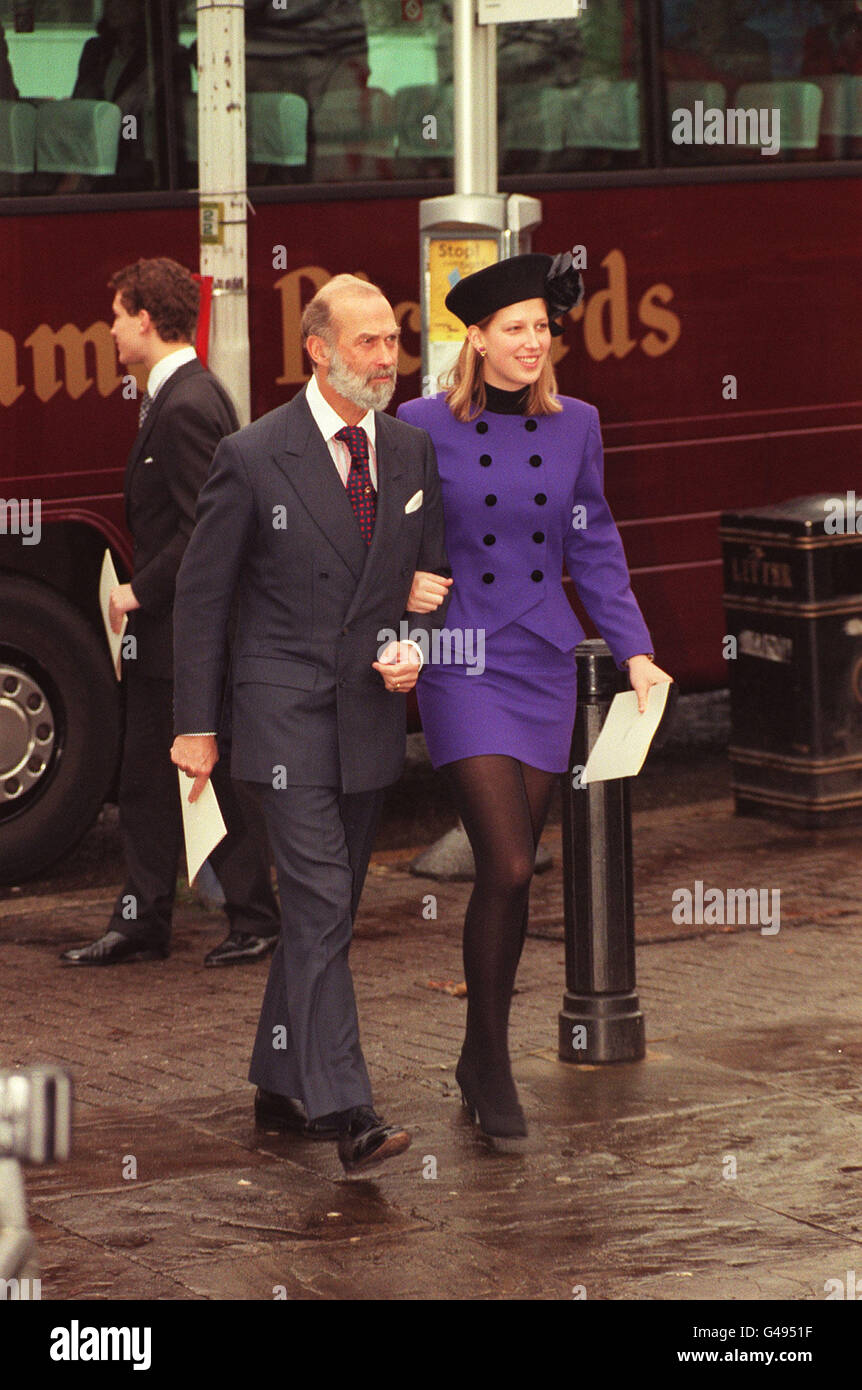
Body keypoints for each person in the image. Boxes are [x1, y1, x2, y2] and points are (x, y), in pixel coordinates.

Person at [169, 274, 452, 1176]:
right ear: (318, 352)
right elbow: (202, 600)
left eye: (392, 342)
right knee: (326, 902)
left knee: (325, 916)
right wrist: (193, 726)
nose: (386, 358)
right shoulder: (254, 456)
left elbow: (430, 580)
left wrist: (415, 641)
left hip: (368, 715)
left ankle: (276, 1075)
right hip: (281, 712)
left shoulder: (408, 453)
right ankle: (349, 1111)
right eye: (367, 343)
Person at [397, 253, 673, 1150]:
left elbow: (595, 545)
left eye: (540, 329)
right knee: (509, 864)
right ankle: (491, 1058)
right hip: (461, 656)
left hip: (544, 656)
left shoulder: (578, 424)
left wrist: (634, 650)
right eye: (512, 329)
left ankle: (479, 1059)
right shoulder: (419, 423)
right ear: (474, 338)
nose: (529, 342)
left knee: (510, 881)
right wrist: (406, 595)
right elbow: (390, 535)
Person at [61, 257, 280, 969]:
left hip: (187, 632)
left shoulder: (185, 405)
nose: (113, 329)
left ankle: (249, 918)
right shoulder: (180, 394)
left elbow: (202, 531)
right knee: (153, 780)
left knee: (200, 775)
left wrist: (136, 591)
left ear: (147, 320)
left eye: (120, 315)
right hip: (177, 631)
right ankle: (148, 918)